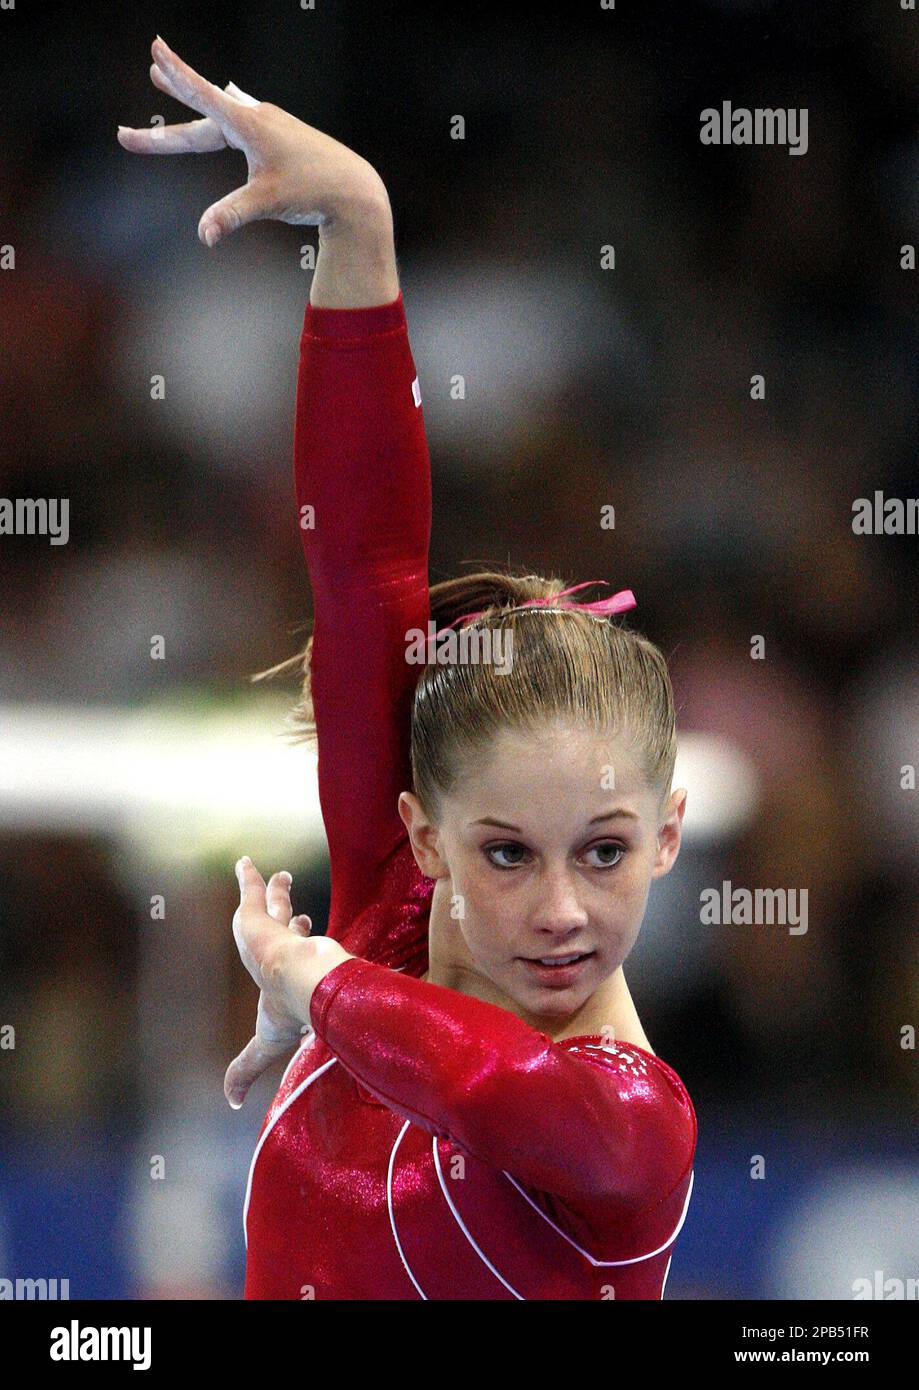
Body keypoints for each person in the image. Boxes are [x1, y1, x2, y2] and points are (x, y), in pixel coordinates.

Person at [119, 36, 697, 1300]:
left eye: (602, 848)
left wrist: (311, 985)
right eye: (506, 850)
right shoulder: (386, 908)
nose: (559, 910)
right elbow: (365, 562)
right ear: (422, 840)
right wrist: (361, 225)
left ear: (667, 834)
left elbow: (487, 1082)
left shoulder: (630, 1126)